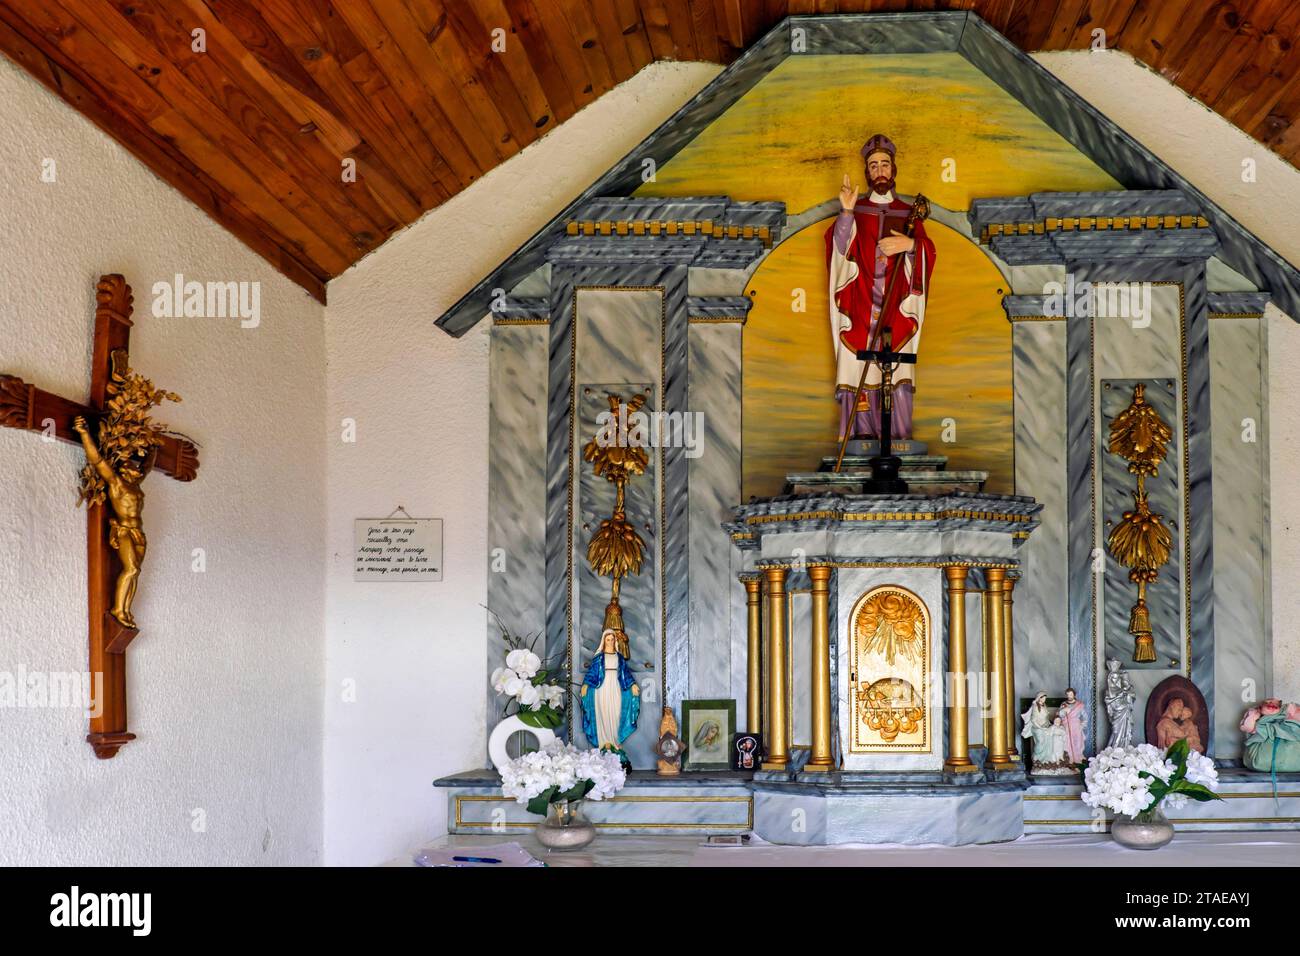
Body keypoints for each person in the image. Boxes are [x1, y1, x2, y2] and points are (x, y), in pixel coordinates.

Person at [825, 133, 937, 441]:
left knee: (897, 370)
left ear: (893, 168)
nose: (879, 171)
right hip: (860, 306)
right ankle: (860, 438)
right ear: (867, 173)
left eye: (884, 164)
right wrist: (846, 213)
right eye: (873, 166)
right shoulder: (857, 211)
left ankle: (899, 439)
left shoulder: (907, 213)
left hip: (896, 309)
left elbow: (929, 253)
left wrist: (910, 244)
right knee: (855, 365)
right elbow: (837, 250)